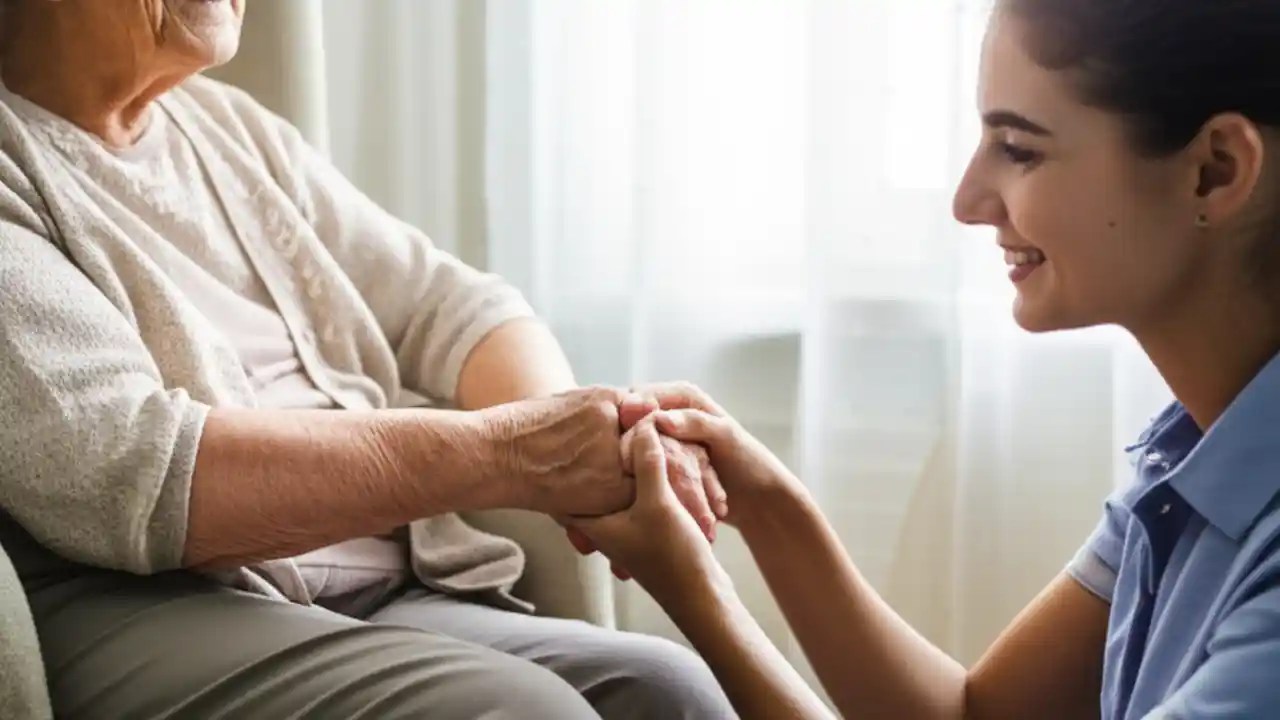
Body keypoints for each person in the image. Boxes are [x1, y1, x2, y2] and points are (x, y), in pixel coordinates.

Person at [0, 0, 736, 717]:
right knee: (521, 710)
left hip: (377, 589)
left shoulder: (224, 127)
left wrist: (600, 441)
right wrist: (523, 454)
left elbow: (453, 306)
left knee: (669, 689)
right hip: (156, 606)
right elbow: (139, 473)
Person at [572, 1, 1280, 718]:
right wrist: (767, 507)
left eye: (1019, 148)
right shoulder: (1188, 457)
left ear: (1215, 171)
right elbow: (975, 715)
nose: (968, 202)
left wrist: (696, 590)